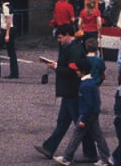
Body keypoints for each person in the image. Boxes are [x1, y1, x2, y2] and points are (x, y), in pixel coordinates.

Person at [35, 24, 87, 159]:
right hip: (69, 91)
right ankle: (49, 147)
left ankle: (90, 152)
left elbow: (72, 70)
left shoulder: (74, 49)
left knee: (79, 124)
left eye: (60, 37)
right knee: (63, 122)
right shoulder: (72, 47)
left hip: (72, 90)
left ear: (68, 35)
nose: (59, 40)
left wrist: (57, 67)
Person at [55, 54, 109, 165]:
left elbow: (88, 104)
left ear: (82, 71)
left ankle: (67, 158)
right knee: (98, 136)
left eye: (77, 70)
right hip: (93, 114)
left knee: (77, 135)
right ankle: (106, 158)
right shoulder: (91, 83)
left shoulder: (85, 85)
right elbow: (95, 102)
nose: (76, 71)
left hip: (87, 115)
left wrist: (83, 119)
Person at [0, 0, 19, 78]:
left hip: (6, 30)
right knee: (12, 52)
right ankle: (14, 73)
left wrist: (7, 34)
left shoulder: (5, 7)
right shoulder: (10, 6)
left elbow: (8, 21)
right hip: (12, 29)